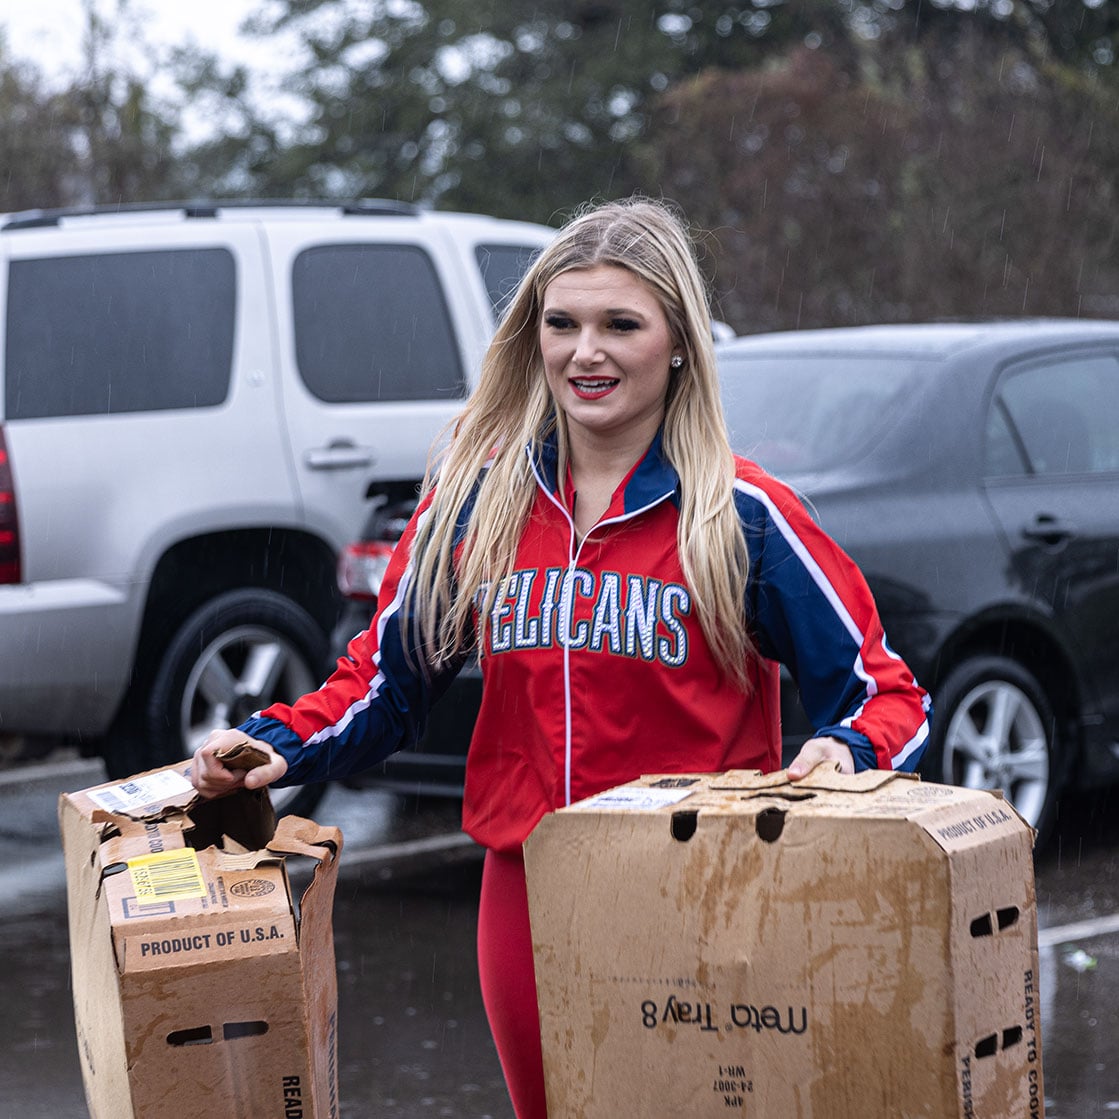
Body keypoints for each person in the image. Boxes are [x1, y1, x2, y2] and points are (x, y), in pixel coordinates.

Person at [192, 196, 931, 1118]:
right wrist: (276, 746)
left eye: (621, 323)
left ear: (676, 343)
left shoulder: (742, 514)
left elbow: (884, 693)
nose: (587, 352)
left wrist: (845, 752)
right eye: (563, 323)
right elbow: (384, 683)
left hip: (704, 892)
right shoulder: (473, 505)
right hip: (525, 889)